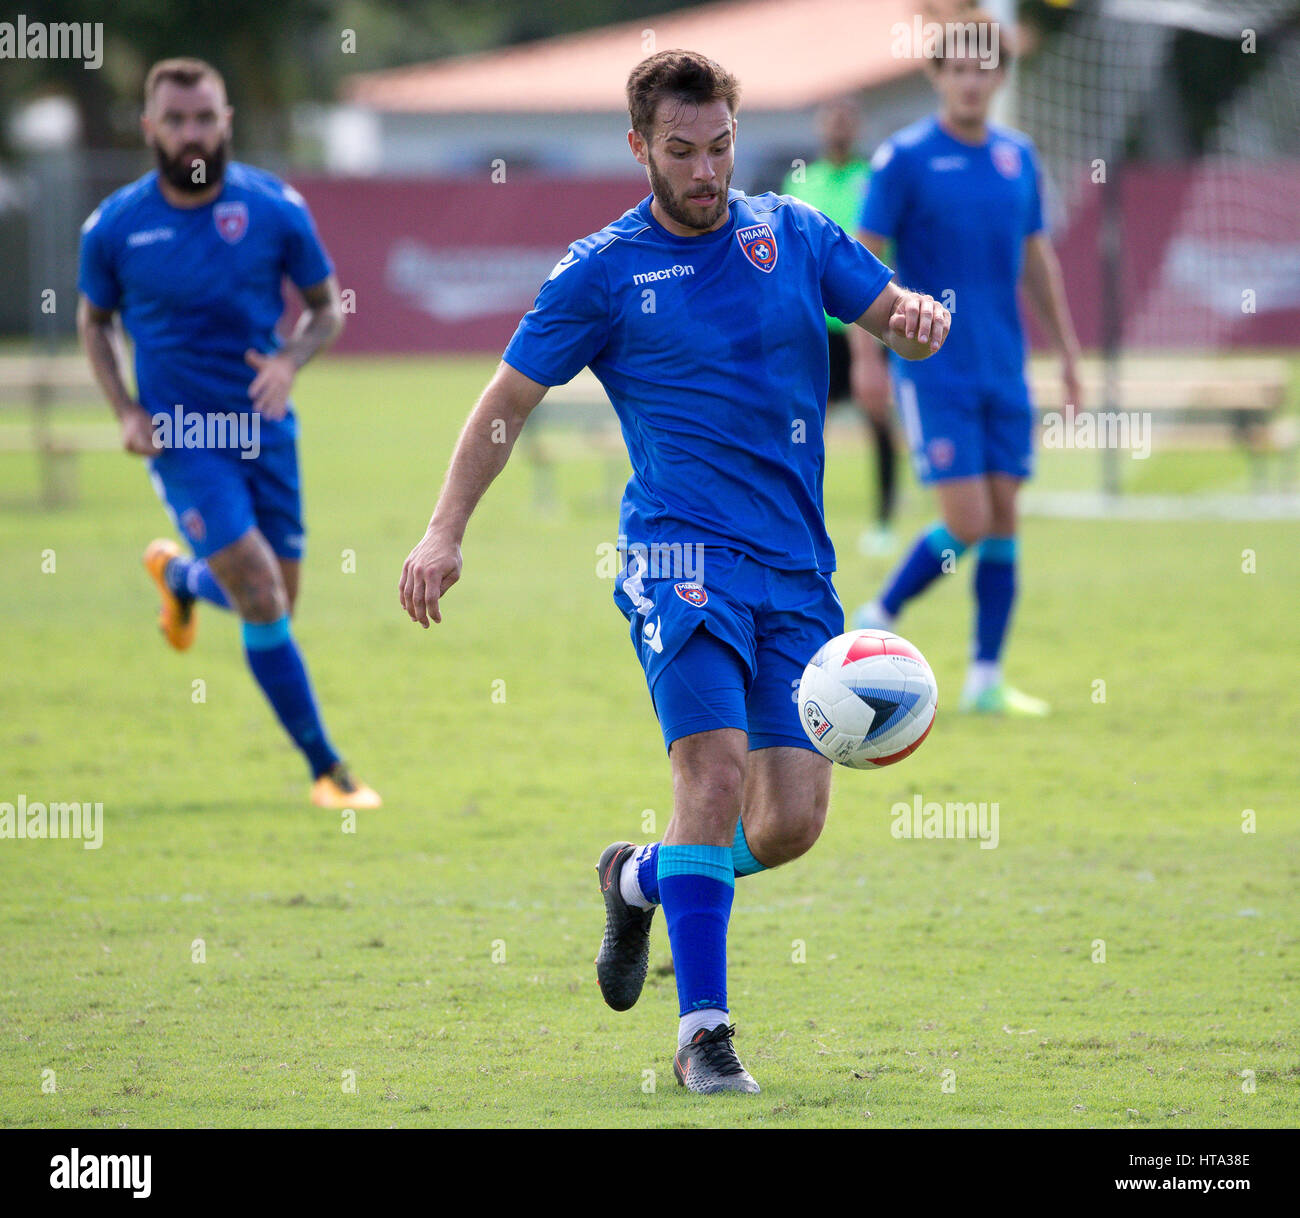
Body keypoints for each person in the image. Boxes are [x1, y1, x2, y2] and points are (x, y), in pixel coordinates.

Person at [399, 50, 950, 1093]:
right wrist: (443, 532)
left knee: (787, 824)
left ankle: (639, 876)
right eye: (682, 151)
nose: (706, 171)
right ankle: (703, 1035)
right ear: (639, 148)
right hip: (676, 558)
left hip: (795, 570)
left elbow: (892, 315)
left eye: (721, 147)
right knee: (711, 776)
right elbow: (507, 403)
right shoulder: (600, 271)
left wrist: (917, 320)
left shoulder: (793, 233)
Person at [77, 57, 380, 809]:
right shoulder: (115, 226)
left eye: (204, 117)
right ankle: (329, 771)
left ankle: (178, 577)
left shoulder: (275, 209)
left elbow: (325, 310)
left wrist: (288, 361)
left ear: (226, 123)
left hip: (266, 430)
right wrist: (124, 409)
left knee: (278, 598)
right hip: (181, 436)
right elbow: (93, 319)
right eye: (175, 119)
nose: (191, 133)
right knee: (259, 588)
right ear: (150, 128)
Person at [850, 9, 1082, 716]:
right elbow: (862, 261)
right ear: (937, 76)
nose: (972, 81)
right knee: (970, 520)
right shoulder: (905, 158)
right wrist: (868, 358)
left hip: (1002, 367)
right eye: (958, 69)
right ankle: (877, 614)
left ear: (1000, 76)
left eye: (985, 69)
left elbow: (1036, 260)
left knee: (1006, 518)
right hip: (934, 369)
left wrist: (1068, 352)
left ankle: (986, 677)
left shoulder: (1018, 159)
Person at [782, 97, 898, 557]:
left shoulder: (872, 181)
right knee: (805, 430)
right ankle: (800, 521)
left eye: (846, 122)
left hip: (864, 325)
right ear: (819, 126)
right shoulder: (800, 180)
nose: (838, 130)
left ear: (856, 128)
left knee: (877, 418)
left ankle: (885, 519)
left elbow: (880, 249)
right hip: (814, 329)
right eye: (831, 122)